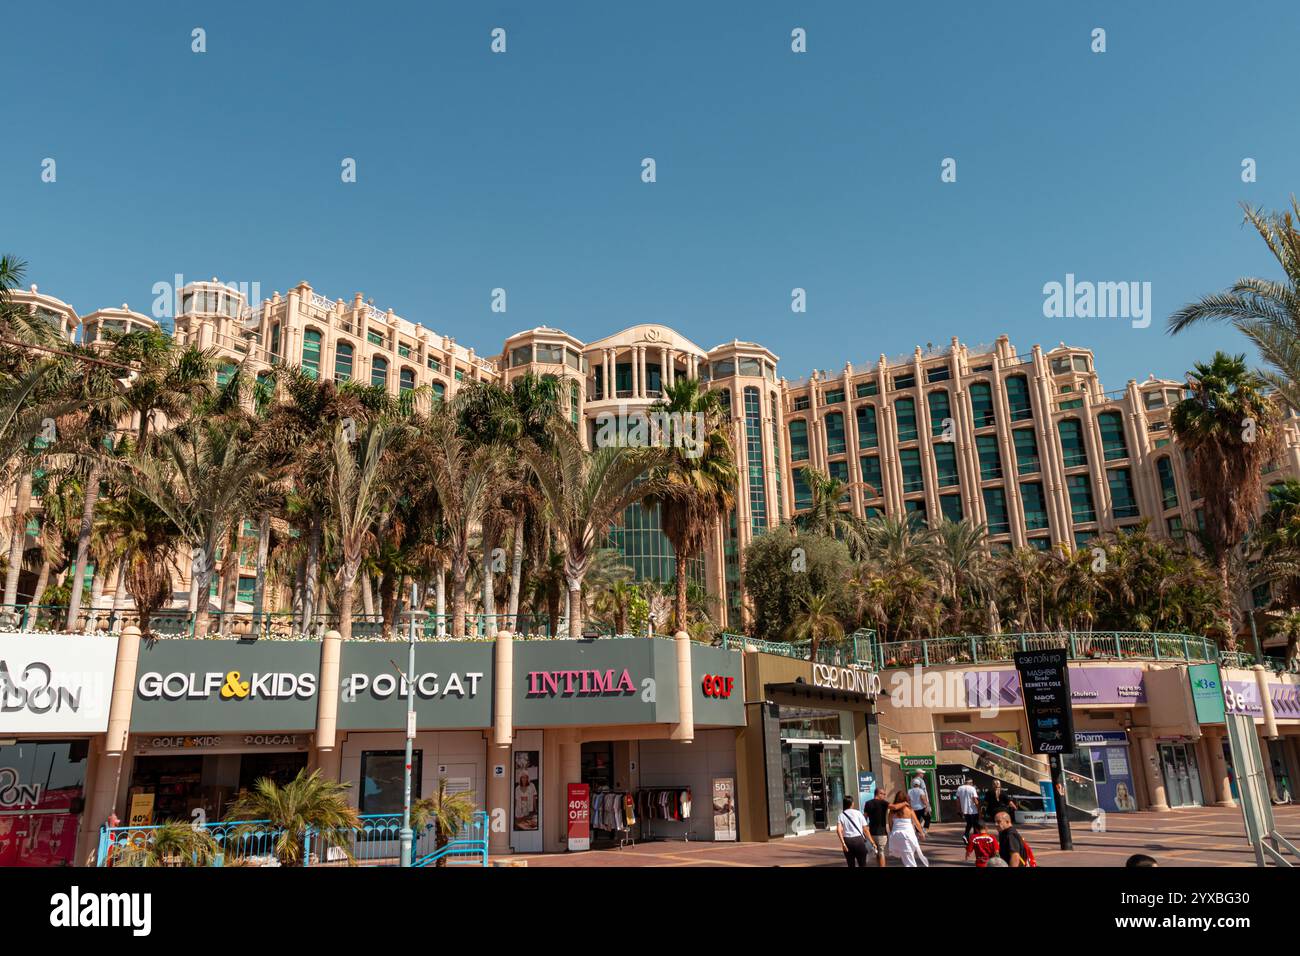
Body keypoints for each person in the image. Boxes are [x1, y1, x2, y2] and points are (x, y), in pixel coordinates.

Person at [886, 790, 928, 867]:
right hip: (908, 834)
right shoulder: (909, 809)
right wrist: (922, 833)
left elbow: (890, 825)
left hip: (896, 834)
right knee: (909, 855)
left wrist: (892, 834)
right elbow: (917, 823)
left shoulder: (892, 811)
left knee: (906, 855)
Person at [836, 796, 873, 867]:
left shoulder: (841, 815)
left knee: (850, 864)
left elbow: (838, 830)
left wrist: (843, 844)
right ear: (852, 803)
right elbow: (865, 830)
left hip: (847, 841)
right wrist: (872, 841)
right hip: (859, 840)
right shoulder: (858, 813)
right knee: (862, 863)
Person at [864, 788, 892, 867]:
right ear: (879, 794)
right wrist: (904, 803)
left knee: (877, 852)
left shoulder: (867, 803)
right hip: (881, 833)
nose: (884, 796)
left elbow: (864, 817)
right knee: (881, 852)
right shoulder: (883, 803)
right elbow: (894, 807)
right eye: (883, 794)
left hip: (871, 832)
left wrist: (864, 828)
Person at [956, 776, 981, 841]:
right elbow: (975, 800)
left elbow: (958, 801)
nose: (972, 784)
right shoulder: (972, 788)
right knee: (975, 825)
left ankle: (966, 835)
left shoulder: (959, 788)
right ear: (970, 782)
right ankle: (975, 839)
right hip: (973, 811)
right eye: (972, 782)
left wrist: (959, 810)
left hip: (965, 811)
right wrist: (979, 809)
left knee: (969, 823)